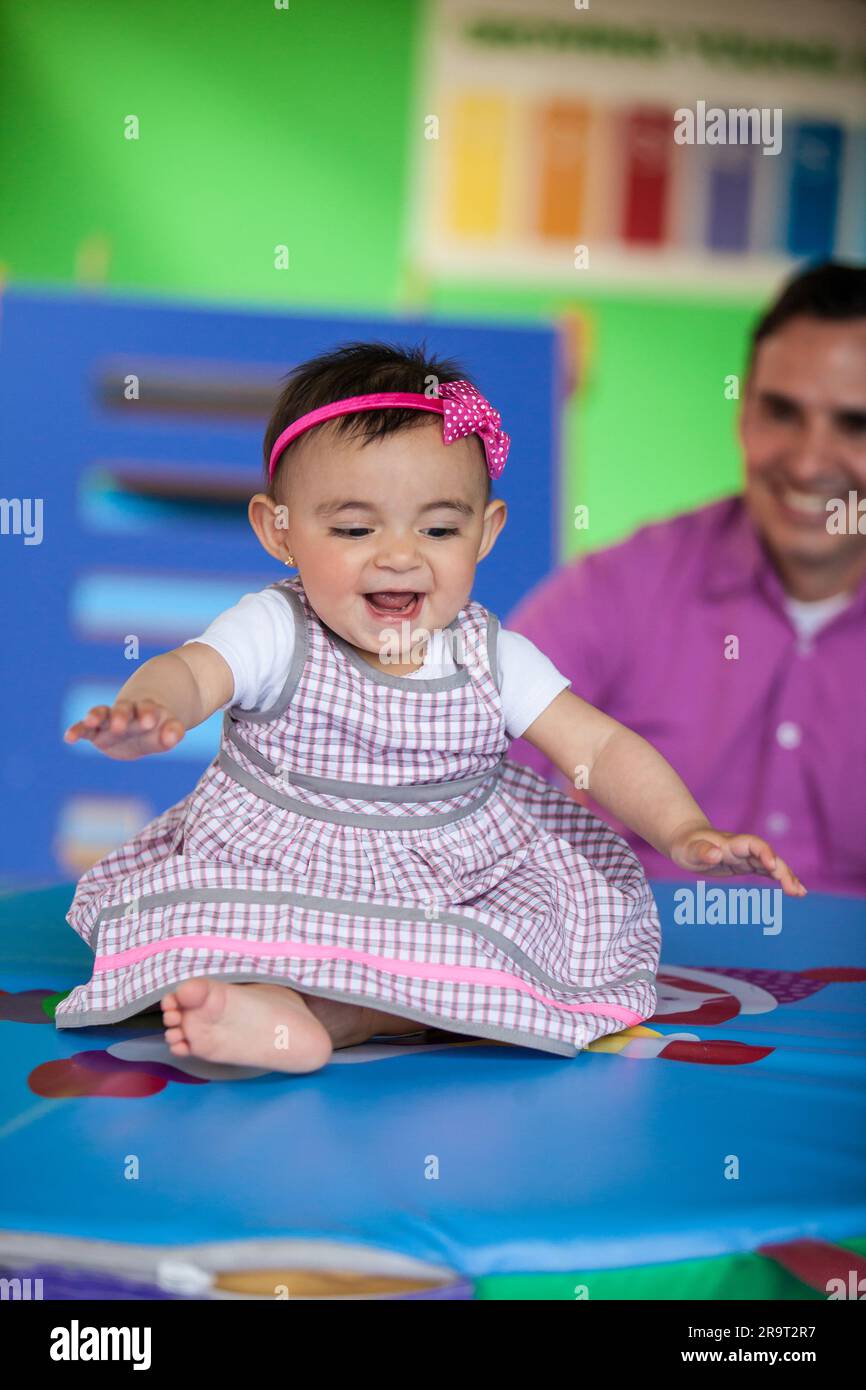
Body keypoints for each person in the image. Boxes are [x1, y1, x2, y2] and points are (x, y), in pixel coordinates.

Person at [58, 342, 804, 1074]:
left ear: (486, 531)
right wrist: (150, 709)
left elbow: (600, 749)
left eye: (439, 528)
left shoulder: (488, 654)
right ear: (276, 530)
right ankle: (276, 1000)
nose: (400, 555)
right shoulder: (275, 629)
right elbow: (193, 672)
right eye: (355, 529)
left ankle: (340, 1015)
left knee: (510, 940)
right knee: (200, 913)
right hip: (275, 865)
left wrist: (686, 831)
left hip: (448, 880)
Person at [507, 262, 866, 898]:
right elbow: (461, 748)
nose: (810, 462)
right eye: (782, 413)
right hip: (632, 982)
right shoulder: (621, 587)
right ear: (743, 415)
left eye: (855, 424)